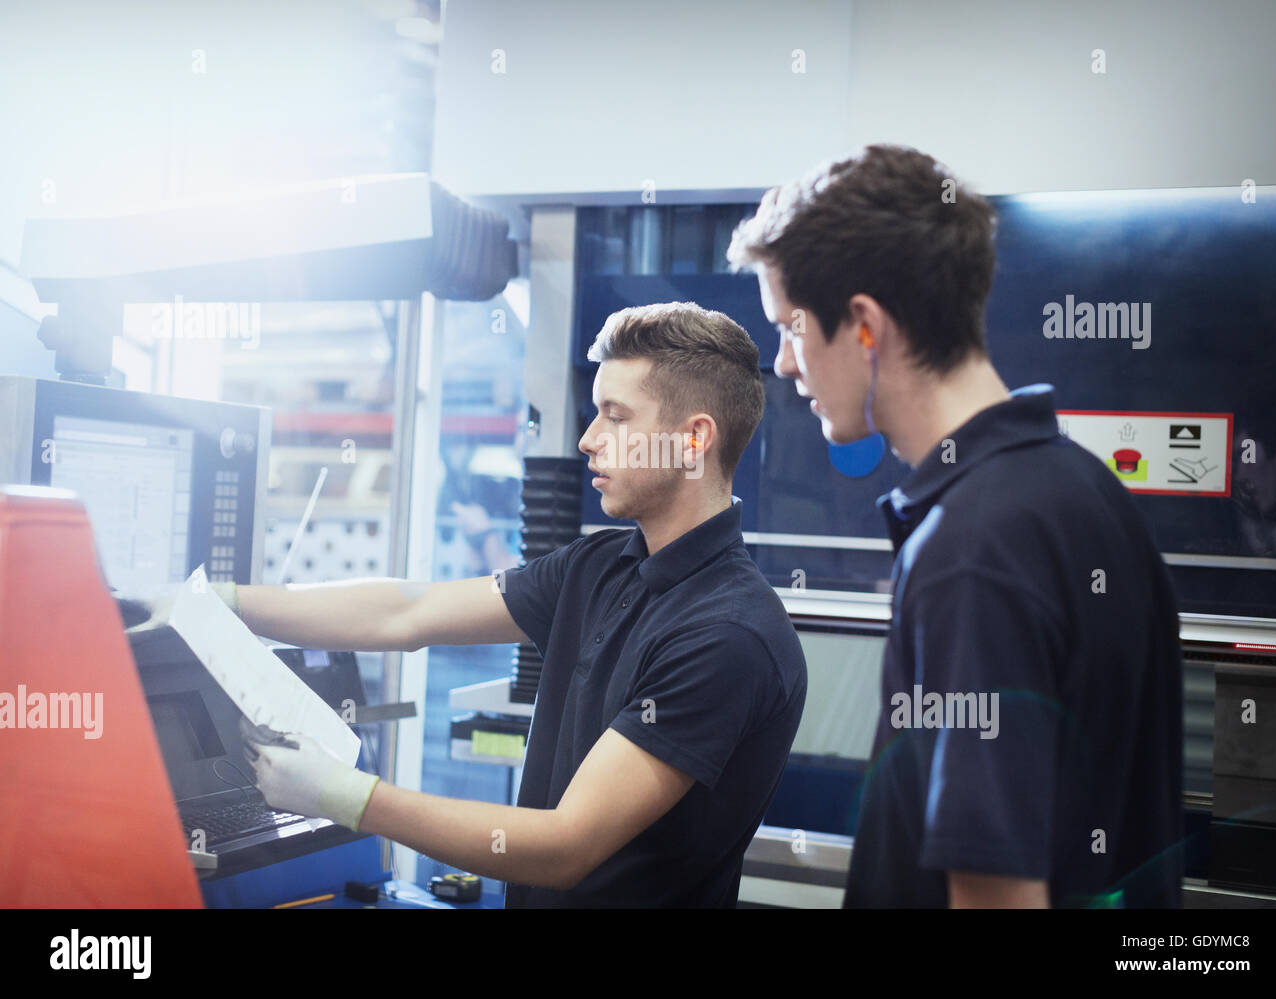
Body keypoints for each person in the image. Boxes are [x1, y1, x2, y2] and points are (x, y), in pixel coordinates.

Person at [204, 301, 805, 906]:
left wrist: (349, 797)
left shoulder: (727, 634)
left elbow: (566, 846)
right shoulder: (599, 566)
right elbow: (407, 612)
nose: (587, 440)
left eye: (615, 418)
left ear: (693, 439)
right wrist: (222, 605)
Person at [726, 143, 1184, 908]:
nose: (783, 364)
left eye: (793, 329)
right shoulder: (1090, 495)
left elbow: (995, 891)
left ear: (865, 326)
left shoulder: (971, 549)